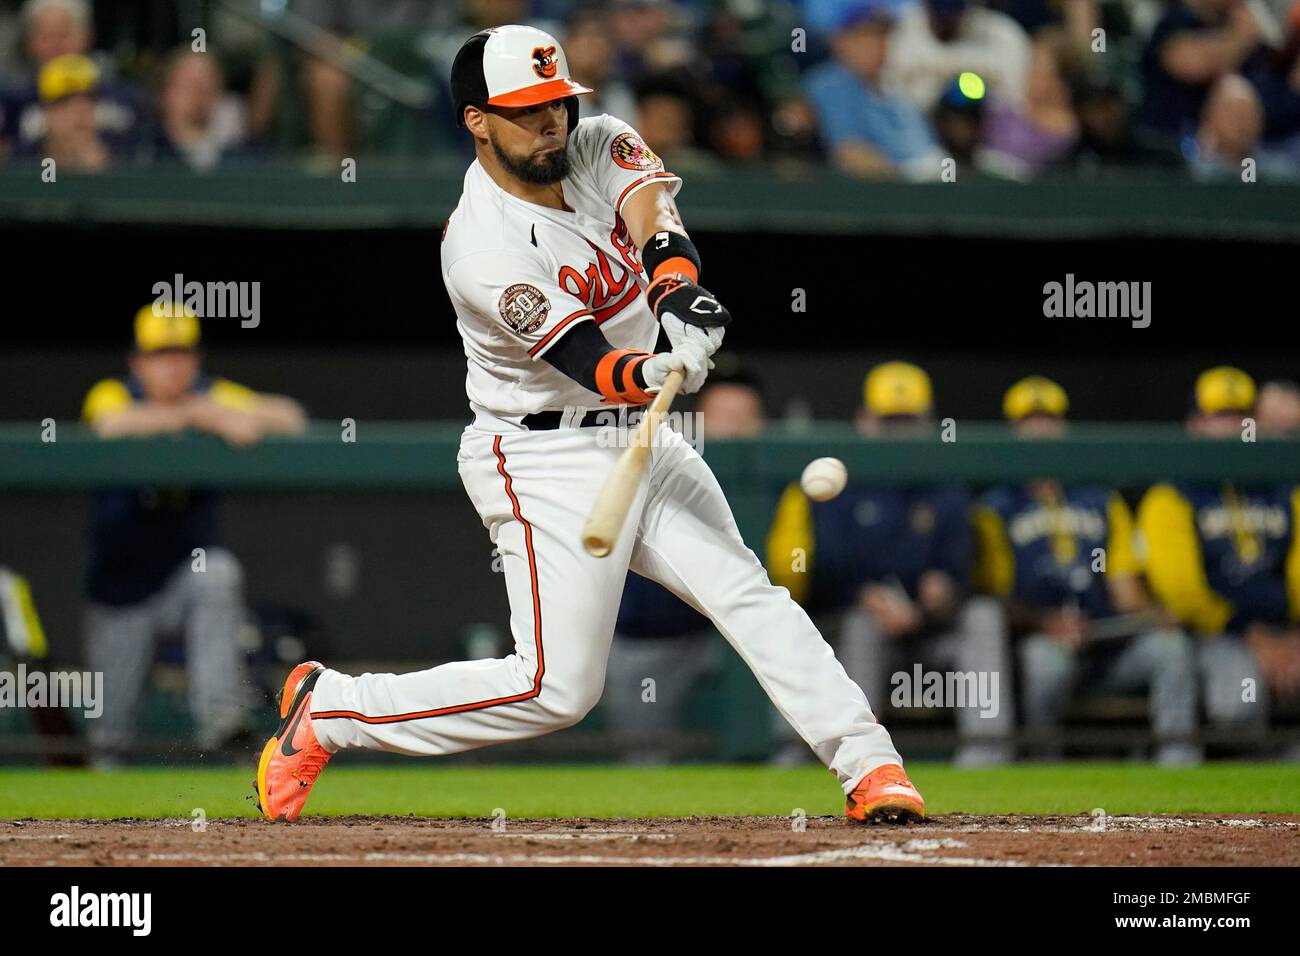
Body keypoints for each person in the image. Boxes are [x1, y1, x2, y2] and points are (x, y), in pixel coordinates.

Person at [255, 24, 926, 825]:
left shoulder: (598, 138)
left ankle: (872, 767)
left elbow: (656, 225)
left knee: (748, 593)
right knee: (557, 690)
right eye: (529, 110)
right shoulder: (479, 246)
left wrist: (681, 296)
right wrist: (655, 371)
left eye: (558, 104)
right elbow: (586, 360)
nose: (552, 123)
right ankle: (332, 710)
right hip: (540, 451)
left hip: (636, 440)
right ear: (477, 120)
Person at [81, 304, 307, 767]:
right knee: (109, 740)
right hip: (120, 594)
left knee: (217, 573)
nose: (172, 365)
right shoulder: (114, 393)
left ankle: (219, 718)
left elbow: (291, 417)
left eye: (182, 353)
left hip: (182, 581)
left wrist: (215, 410)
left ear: (196, 359)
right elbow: (109, 425)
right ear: (137, 361)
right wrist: (197, 416)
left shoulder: (210, 395)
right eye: (160, 354)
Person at [767, 361, 1015, 766]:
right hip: (861, 634)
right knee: (861, 627)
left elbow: (967, 568)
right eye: (890, 421)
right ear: (865, 421)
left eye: (909, 421)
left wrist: (947, 588)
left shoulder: (946, 484)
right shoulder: (841, 487)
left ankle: (986, 756)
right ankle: (860, 760)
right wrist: (866, 597)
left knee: (983, 616)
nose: (901, 432)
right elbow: (823, 572)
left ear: (928, 423)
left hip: (933, 633)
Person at [974, 377, 1199, 764]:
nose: (1041, 429)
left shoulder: (1100, 499)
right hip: (1042, 643)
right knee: (1044, 663)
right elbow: (996, 599)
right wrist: (1046, 623)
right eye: (1030, 420)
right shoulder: (996, 506)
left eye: (1050, 419)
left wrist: (1150, 615)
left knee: (1171, 650)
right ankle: (1043, 771)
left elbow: (1124, 588)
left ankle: (1178, 771)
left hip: (1107, 640)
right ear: (1013, 430)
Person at [603, 361, 766, 763]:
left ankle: (780, 798)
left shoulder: (775, 482)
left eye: (743, 418)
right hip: (657, 636)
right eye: (722, 417)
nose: (731, 428)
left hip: (737, 634)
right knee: (645, 754)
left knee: (775, 730)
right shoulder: (658, 467)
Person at [1137, 366, 1300, 740]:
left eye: (1241, 416)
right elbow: (1184, 593)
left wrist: (1292, 636)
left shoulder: (1283, 489)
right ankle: (1257, 775)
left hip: (1287, 632)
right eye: (1220, 416)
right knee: (1238, 703)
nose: (1232, 427)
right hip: (1216, 635)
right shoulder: (1172, 495)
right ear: (1196, 424)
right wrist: (1256, 639)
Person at [805, 1, 945, 181]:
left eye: (883, 35)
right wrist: (909, 176)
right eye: (867, 35)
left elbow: (928, 150)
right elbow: (852, 156)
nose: (879, 45)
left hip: (928, 190)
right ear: (842, 41)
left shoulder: (895, 88)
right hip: (871, 198)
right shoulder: (829, 85)